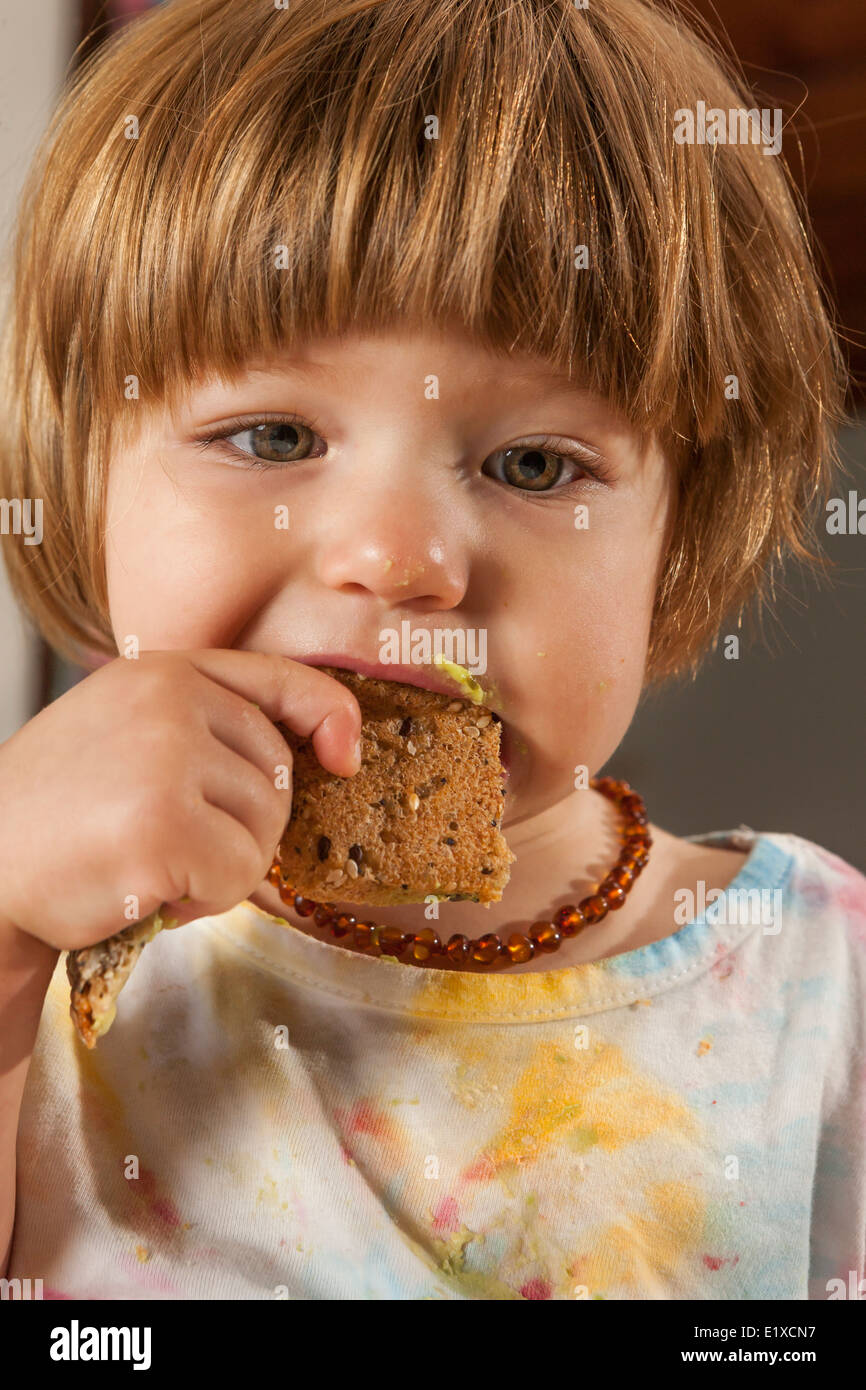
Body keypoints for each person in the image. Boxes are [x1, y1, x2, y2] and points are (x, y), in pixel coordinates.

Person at [0, 0, 862, 1299]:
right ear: (76, 474)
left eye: (532, 462)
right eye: (273, 438)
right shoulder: (41, 959)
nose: (401, 558)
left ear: (679, 539)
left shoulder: (822, 990)